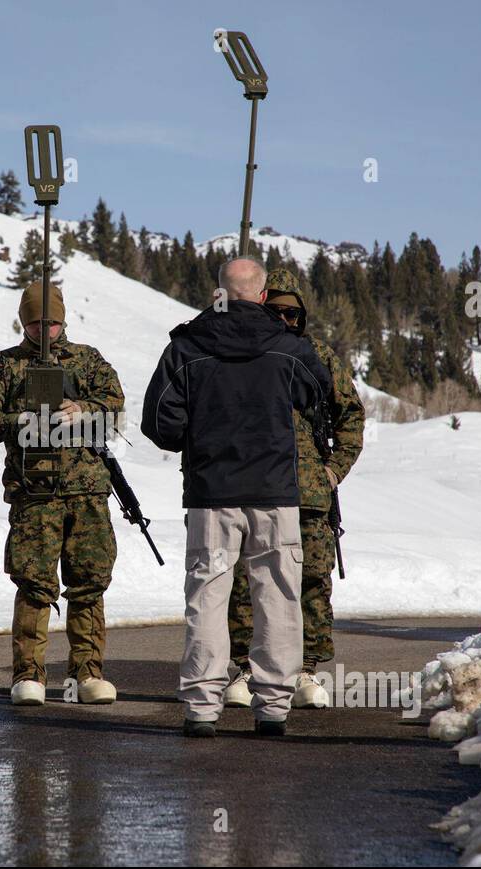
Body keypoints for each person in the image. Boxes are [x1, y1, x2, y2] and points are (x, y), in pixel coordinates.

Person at [141, 257, 331, 737]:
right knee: (279, 596)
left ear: (219, 294)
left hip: (212, 493)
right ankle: (273, 707)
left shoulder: (187, 345)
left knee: (207, 596)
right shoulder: (288, 346)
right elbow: (317, 395)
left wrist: (201, 436)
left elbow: (159, 421)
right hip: (274, 493)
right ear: (264, 296)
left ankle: (202, 707)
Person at [0, 282, 125, 706]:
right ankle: (29, 676)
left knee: (88, 584)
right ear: (24, 322)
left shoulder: (88, 361)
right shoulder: (4, 366)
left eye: (52, 322)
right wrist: (20, 420)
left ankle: (87, 675)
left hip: (87, 493)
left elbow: (116, 404)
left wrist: (84, 410)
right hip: (34, 494)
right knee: (34, 585)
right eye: (37, 322)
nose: (46, 330)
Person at [222, 267, 365, 710]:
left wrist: (334, 469)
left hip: (308, 495)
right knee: (248, 581)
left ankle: (305, 670)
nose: (284, 319)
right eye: (275, 310)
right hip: (253, 487)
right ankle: (247, 668)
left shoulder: (317, 355)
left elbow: (351, 417)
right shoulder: (244, 351)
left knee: (312, 581)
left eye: (292, 312)